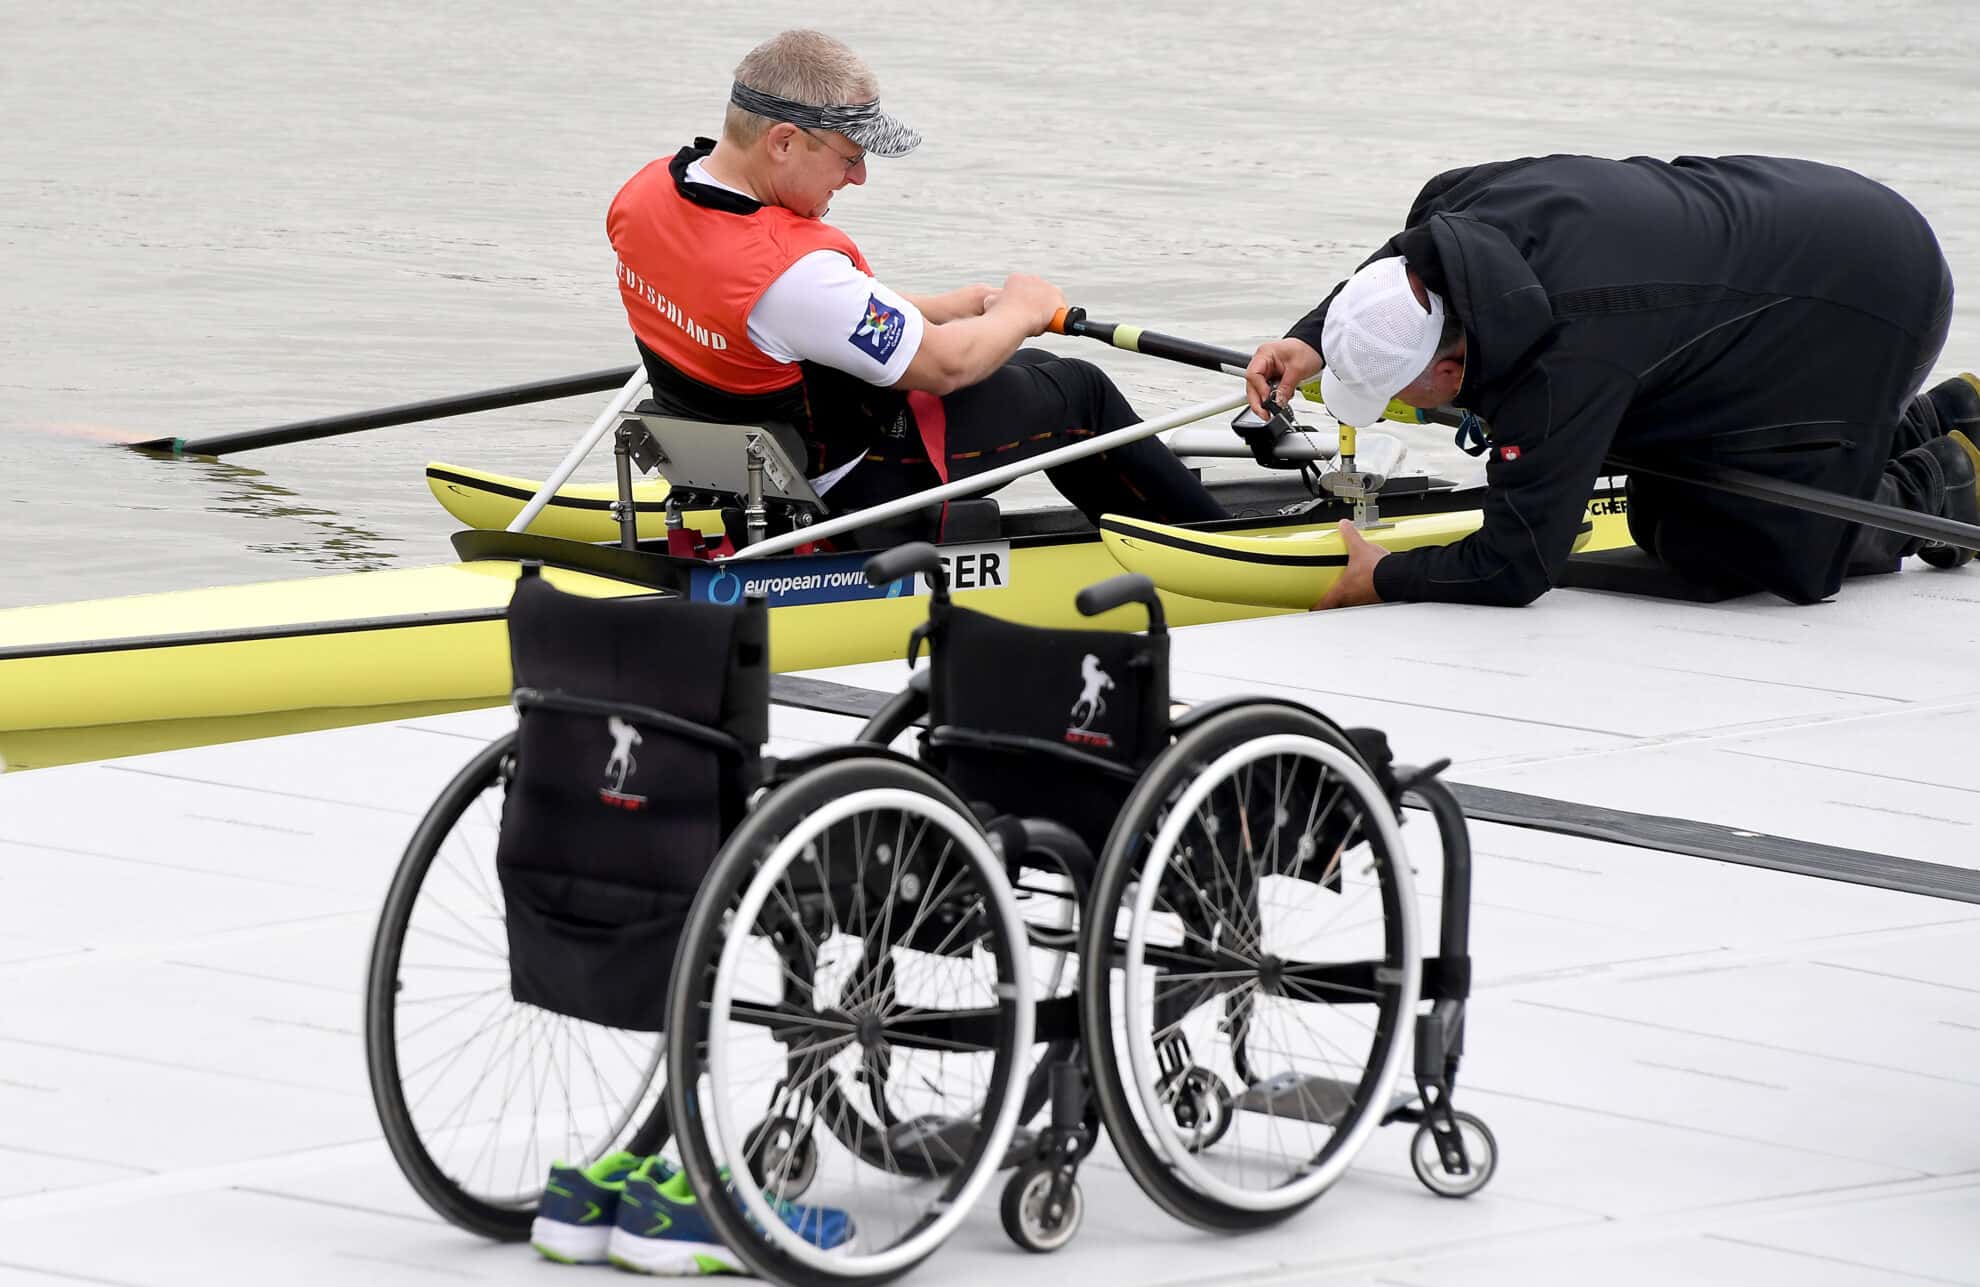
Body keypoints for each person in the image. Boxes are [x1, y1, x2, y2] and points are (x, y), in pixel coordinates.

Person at [1245, 154, 1980, 609]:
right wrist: (1312, 339)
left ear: (1446, 368)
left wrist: (1386, 576)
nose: (1402, 409)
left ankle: (1944, 480)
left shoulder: (1566, 364)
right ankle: (1947, 411)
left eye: (1404, 395)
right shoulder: (1454, 212)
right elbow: (1394, 265)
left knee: (1743, 548)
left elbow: (1515, 564)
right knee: (1659, 492)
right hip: (1816, 222)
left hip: (1874, 298)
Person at [607, 29, 1223, 545]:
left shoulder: (646, 195)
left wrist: (947, 308)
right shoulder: (794, 272)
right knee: (1078, 391)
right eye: (850, 157)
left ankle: (1138, 531)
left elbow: (774, 321)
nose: (859, 177)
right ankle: (1211, 551)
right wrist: (1024, 308)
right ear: (784, 141)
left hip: (745, 457)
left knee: (1029, 362)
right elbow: (947, 366)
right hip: (855, 477)